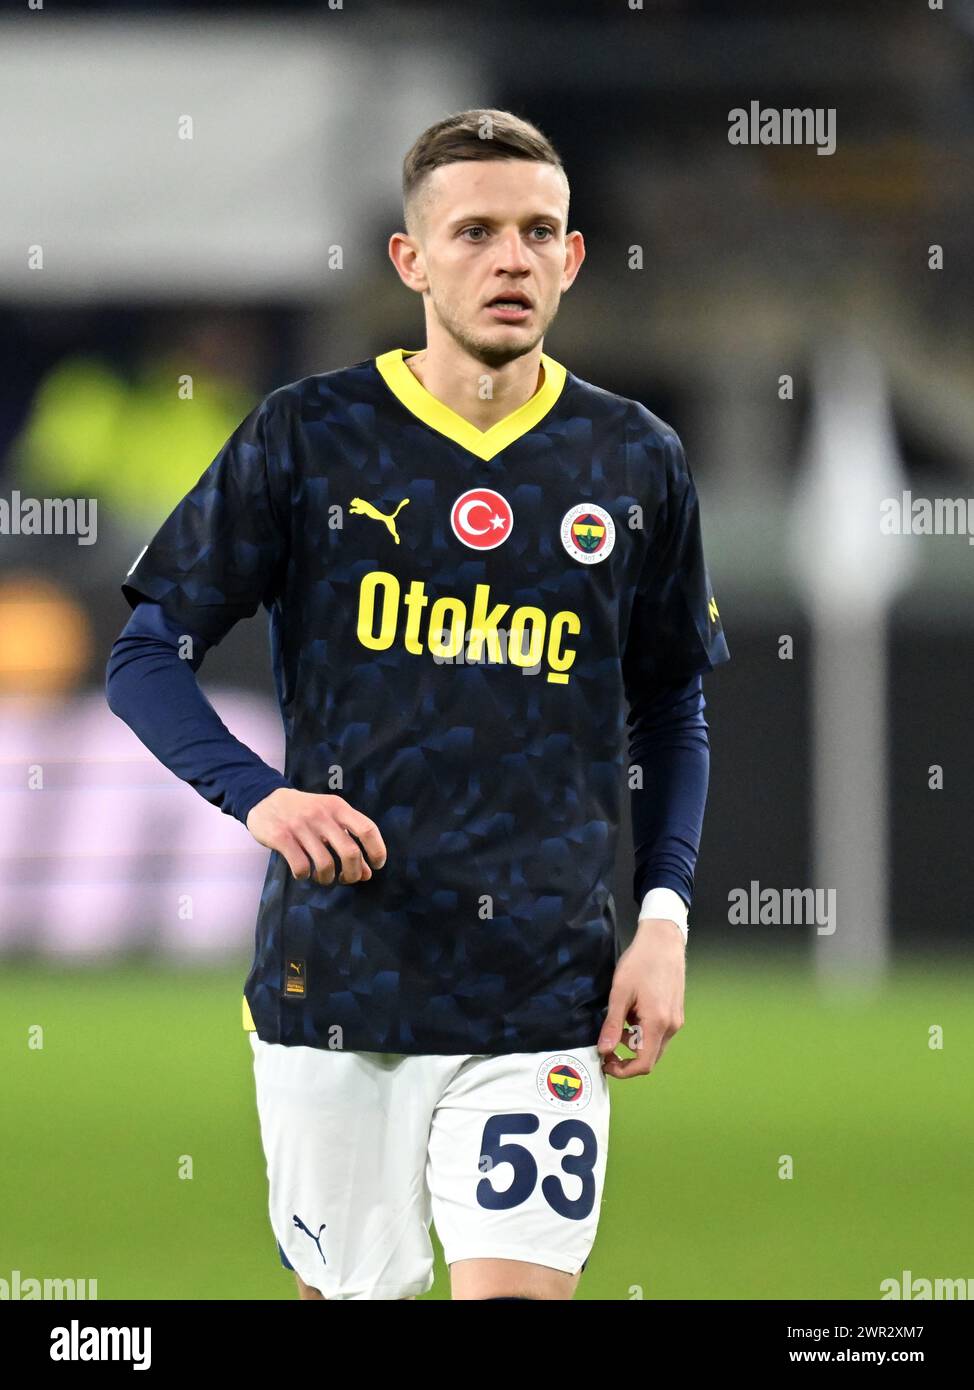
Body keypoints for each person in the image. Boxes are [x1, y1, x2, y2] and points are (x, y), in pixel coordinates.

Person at [106, 108, 730, 1301]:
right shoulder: (309, 436)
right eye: (476, 232)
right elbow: (146, 652)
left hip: (544, 988)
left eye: (537, 232)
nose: (510, 259)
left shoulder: (633, 458)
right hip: (339, 982)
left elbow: (671, 709)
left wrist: (663, 919)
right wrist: (258, 798)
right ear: (410, 261)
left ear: (572, 257)